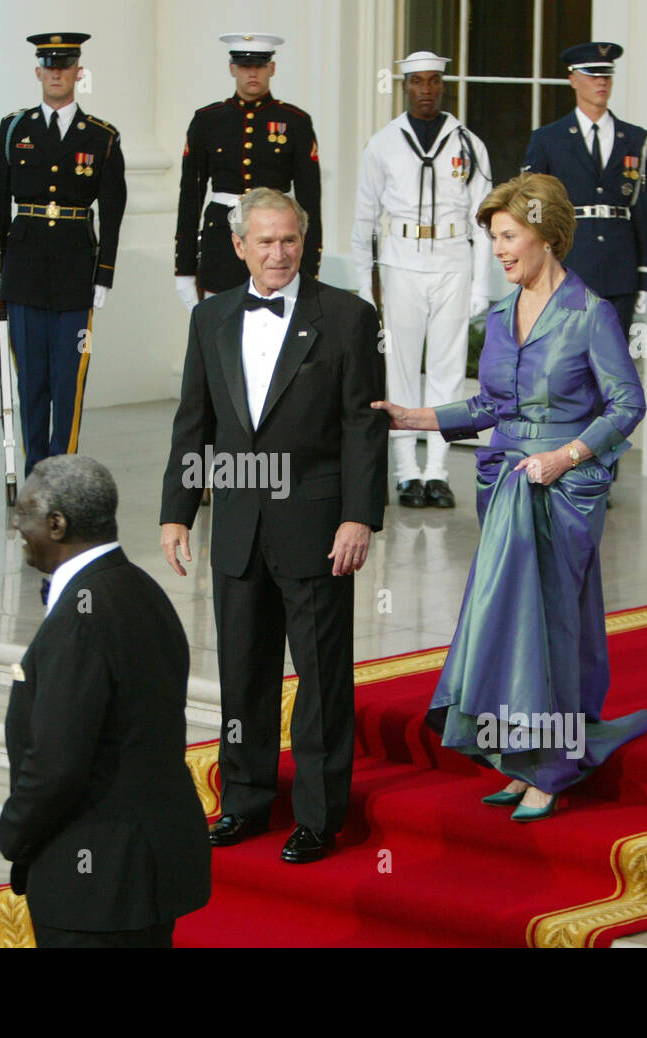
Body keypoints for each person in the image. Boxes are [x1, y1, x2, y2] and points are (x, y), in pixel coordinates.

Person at [373, 173, 647, 821]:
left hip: (566, 488)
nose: (498, 250)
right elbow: (490, 404)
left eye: (507, 236)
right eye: (493, 238)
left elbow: (628, 403)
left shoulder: (591, 313)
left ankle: (552, 767)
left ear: (546, 235)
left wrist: (566, 456)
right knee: (506, 624)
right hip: (504, 484)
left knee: (551, 626)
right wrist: (416, 418)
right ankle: (518, 758)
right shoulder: (500, 316)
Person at [161, 188, 387, 863]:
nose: (279, 252)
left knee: (321, 677)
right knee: (242, 674)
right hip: (235, 524)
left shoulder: (346, 317)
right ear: (239, 246)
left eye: (289, 239)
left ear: (305, 241)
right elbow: (192, 420)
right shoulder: (211, 318)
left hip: (318, 526)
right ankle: (244, 802)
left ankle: (320, 817)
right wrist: (179, 509)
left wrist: (359, 515)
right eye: (264, 241)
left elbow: (362, 427)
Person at [0, 455, 211, 948]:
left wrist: (14, 834)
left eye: (23, 512)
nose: (16, 525)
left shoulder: (81, 619)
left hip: (98, 884)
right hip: (144, 869)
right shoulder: (142, 590)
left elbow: (57, 764)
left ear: (57, 524)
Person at [352, 50, 492, 510]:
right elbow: (365, 219)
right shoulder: (383, 143)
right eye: (417, 82)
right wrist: (360, 285)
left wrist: (482, 286)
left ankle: (437, 471)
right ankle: (406, 472)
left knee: (449, 373)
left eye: (434, 81)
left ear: (443, 85)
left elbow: (485, 221)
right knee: (402, 370)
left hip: (454, 260)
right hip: (401, 262)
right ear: (405, 86)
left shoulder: (467, 142)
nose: (426, 90)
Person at [0, 32, 126, 477]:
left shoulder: (102, 137)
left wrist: (104, 273)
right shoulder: (13, 129)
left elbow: (114, 211)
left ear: (77, 73)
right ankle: (34, 470)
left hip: (74, 272)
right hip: (23, 269)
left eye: (65, 66)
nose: (57, 74)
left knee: (69, 380)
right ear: (38, 72)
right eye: (49, 65)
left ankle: (61, 471)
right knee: (32, 379)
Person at [174, 33, 322, 308]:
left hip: (275, 246)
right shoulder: (208, 120)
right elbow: (190, 197)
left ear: (272, 68)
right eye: (244, 66)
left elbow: (310, 200)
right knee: (221, 336)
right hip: (221, 244)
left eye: (260, 65)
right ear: (232, 68)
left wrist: (309, 266)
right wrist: (184, 266)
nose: (252, 73)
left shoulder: (295, 122)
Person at [523, 42, 647, 343]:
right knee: (565, 365)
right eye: (593, 74)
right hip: (567, 266)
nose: (601, 82)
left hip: (619, 268)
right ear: (573, 79)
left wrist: (643, 274)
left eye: (607, 75)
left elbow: (643, 211)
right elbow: (532, 207)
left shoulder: (636, 140)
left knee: (612, 367)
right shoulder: (548, 139)